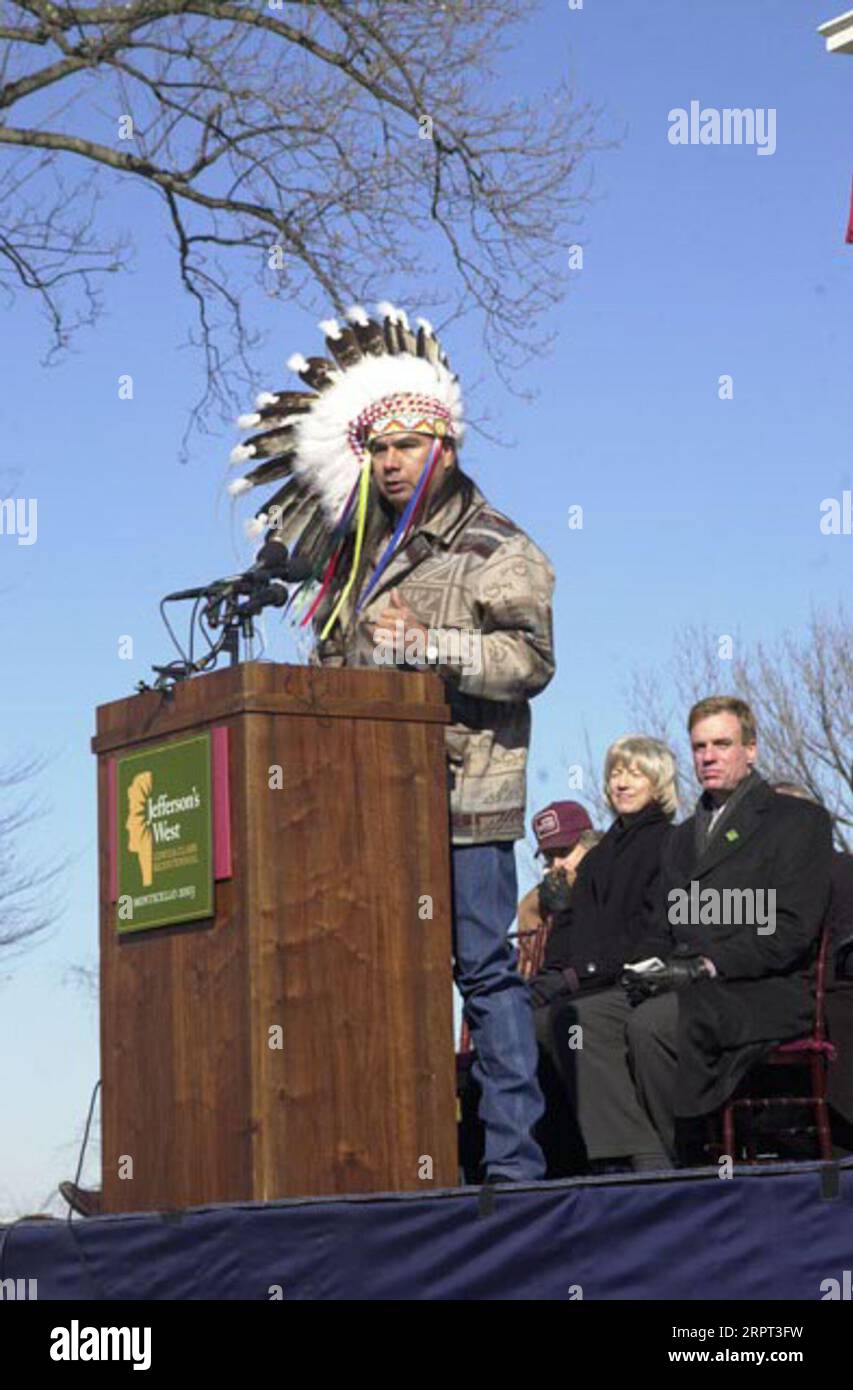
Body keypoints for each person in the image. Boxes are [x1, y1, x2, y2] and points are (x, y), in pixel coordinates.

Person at [230, 304, 556, 1183]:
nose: (391, 461)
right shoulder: (360, 558)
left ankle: (515, 1170)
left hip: (465, 803)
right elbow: (339, 668)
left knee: (483, 973)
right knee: (375, 973)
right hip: (367, 806)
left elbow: (529, 661)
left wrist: (431, 648)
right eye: (378, 449)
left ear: (444, 446)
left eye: (408, 445)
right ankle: (390, 1156)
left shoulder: (499, 546)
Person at [617, 696, 834, 1166]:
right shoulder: (679, 838)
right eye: (699, 746)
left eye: (722, 743)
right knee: (591, 1018)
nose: (708, 756)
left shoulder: (798, 821)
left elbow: (792, 928)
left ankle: (684, 1163)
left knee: (652, 1025)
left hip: (765, 990)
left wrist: (706, 965)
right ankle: (625, 1166)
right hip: (688, 984)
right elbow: (664, 923)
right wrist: (643, 967)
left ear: (751, 750)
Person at [541, 736, 678, 1173]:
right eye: (616, 773)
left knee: (581, 1020)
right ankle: (568, 1160)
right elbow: (573, 930)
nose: (621, 782)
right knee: (538, 1021)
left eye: (634, 773)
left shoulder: (671, 843)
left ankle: (640, 1155)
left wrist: (594, 972)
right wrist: (560, 971)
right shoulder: (600, 857)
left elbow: (662, 927)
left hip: (648, 978)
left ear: (657, 781)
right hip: (600, 981)